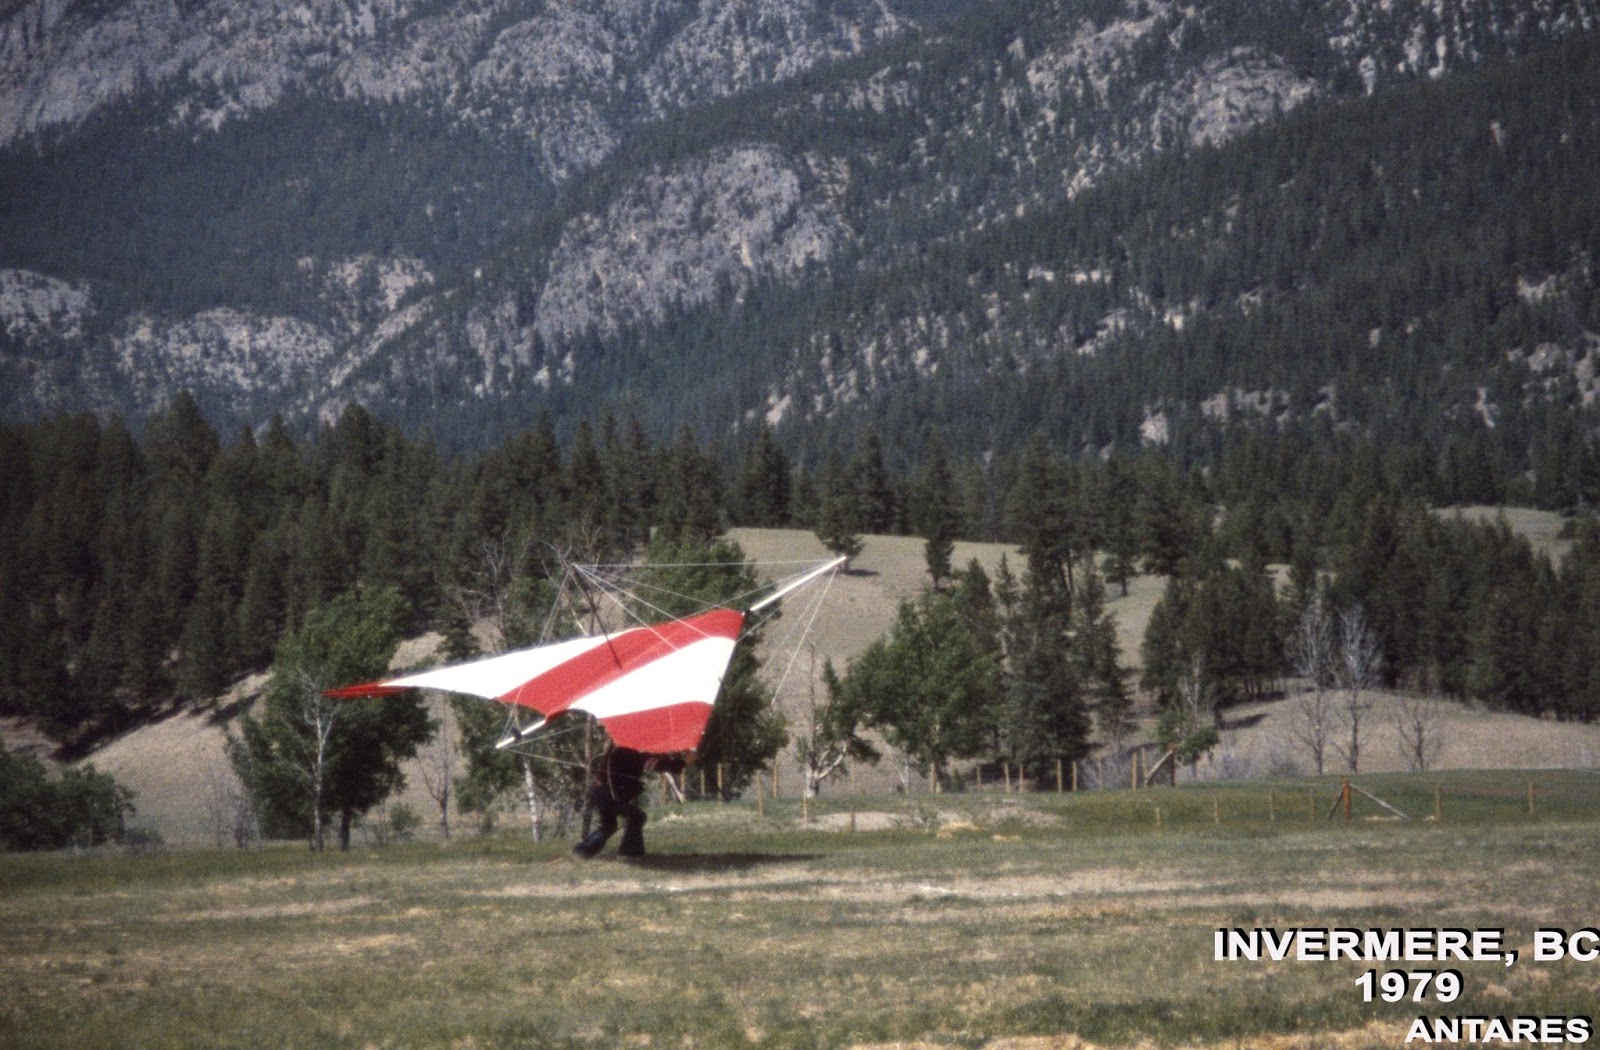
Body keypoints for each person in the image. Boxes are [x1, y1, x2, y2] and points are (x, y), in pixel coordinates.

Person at [572, 746, 686, 859]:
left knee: (609, 826)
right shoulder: (632, 750)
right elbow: (658, 765)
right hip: (607, 794)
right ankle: (629, 853)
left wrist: (676, 760)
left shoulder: (626, 749)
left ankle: (581, 852)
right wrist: (685, 762)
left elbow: (660, 762)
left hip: (602, 792)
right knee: (637, 816)